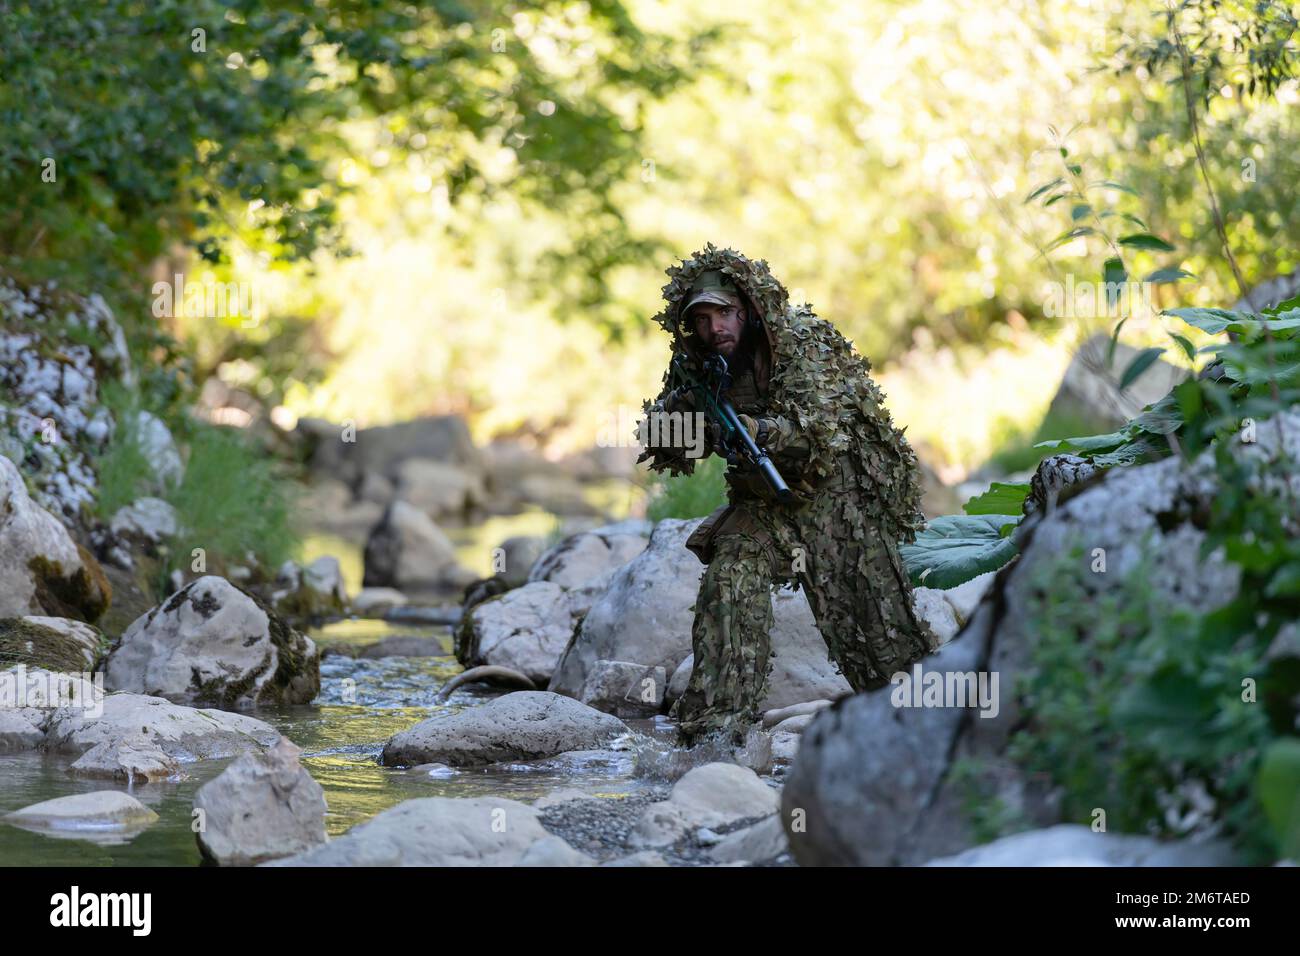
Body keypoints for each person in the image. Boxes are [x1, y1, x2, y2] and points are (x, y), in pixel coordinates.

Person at [636, 243, 939, 746]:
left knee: (883, 649)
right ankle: (717, 737)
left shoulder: (803, 343)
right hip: (765, 507)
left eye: (726, 314)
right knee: (730, 581)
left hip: (841, 505)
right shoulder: (698, 364)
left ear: (750, 310)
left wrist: (759, 431)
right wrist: (682, 423)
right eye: (704, 319)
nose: (717, 330)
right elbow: (670, 455)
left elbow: (820, 432)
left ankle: (940, 738)